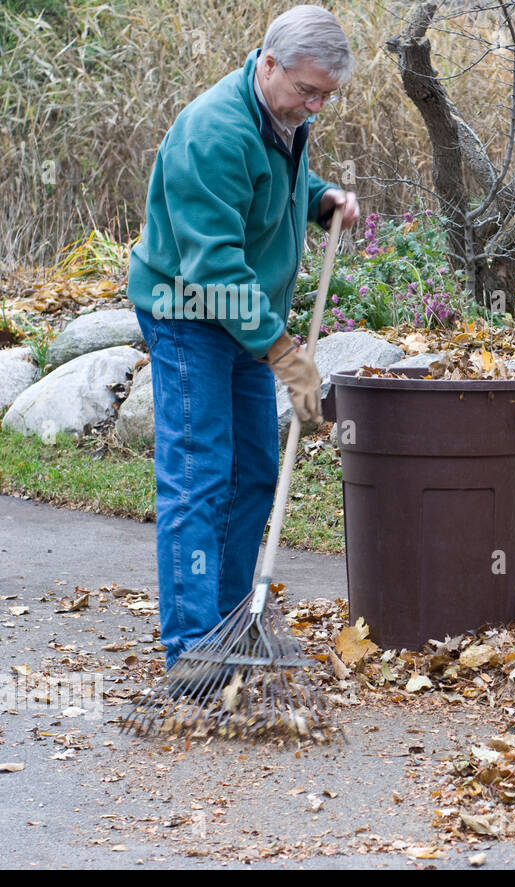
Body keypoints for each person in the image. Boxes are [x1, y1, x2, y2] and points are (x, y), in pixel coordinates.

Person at [126, 5, 360, 673]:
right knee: (200, 475)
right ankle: (193, 649)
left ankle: (234, 625)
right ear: (267, 64)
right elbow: (214, 267)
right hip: (189, 314)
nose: (313, 107)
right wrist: (284, 353)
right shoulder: (214, 132)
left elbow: (272, 188)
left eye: (325, 96)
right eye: (306, 91)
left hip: (243, 318)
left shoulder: (284, 116)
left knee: (254, 469)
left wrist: (320, 198)